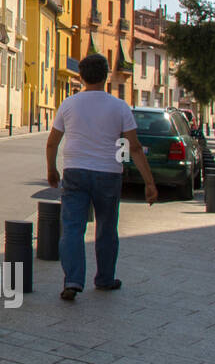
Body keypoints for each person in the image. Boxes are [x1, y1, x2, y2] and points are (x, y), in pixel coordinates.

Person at [45, 53, 157, 301]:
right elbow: (134, 147)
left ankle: (73, 280)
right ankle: (105, 279)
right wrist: (149, 182)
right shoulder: (120, 107)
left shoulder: (68, 104)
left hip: (74, 171)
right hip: (109, 173)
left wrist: (52, 170)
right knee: (107, 228)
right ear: (106, 76)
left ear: (81, 76)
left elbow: (52, 142)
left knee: (73, 228)